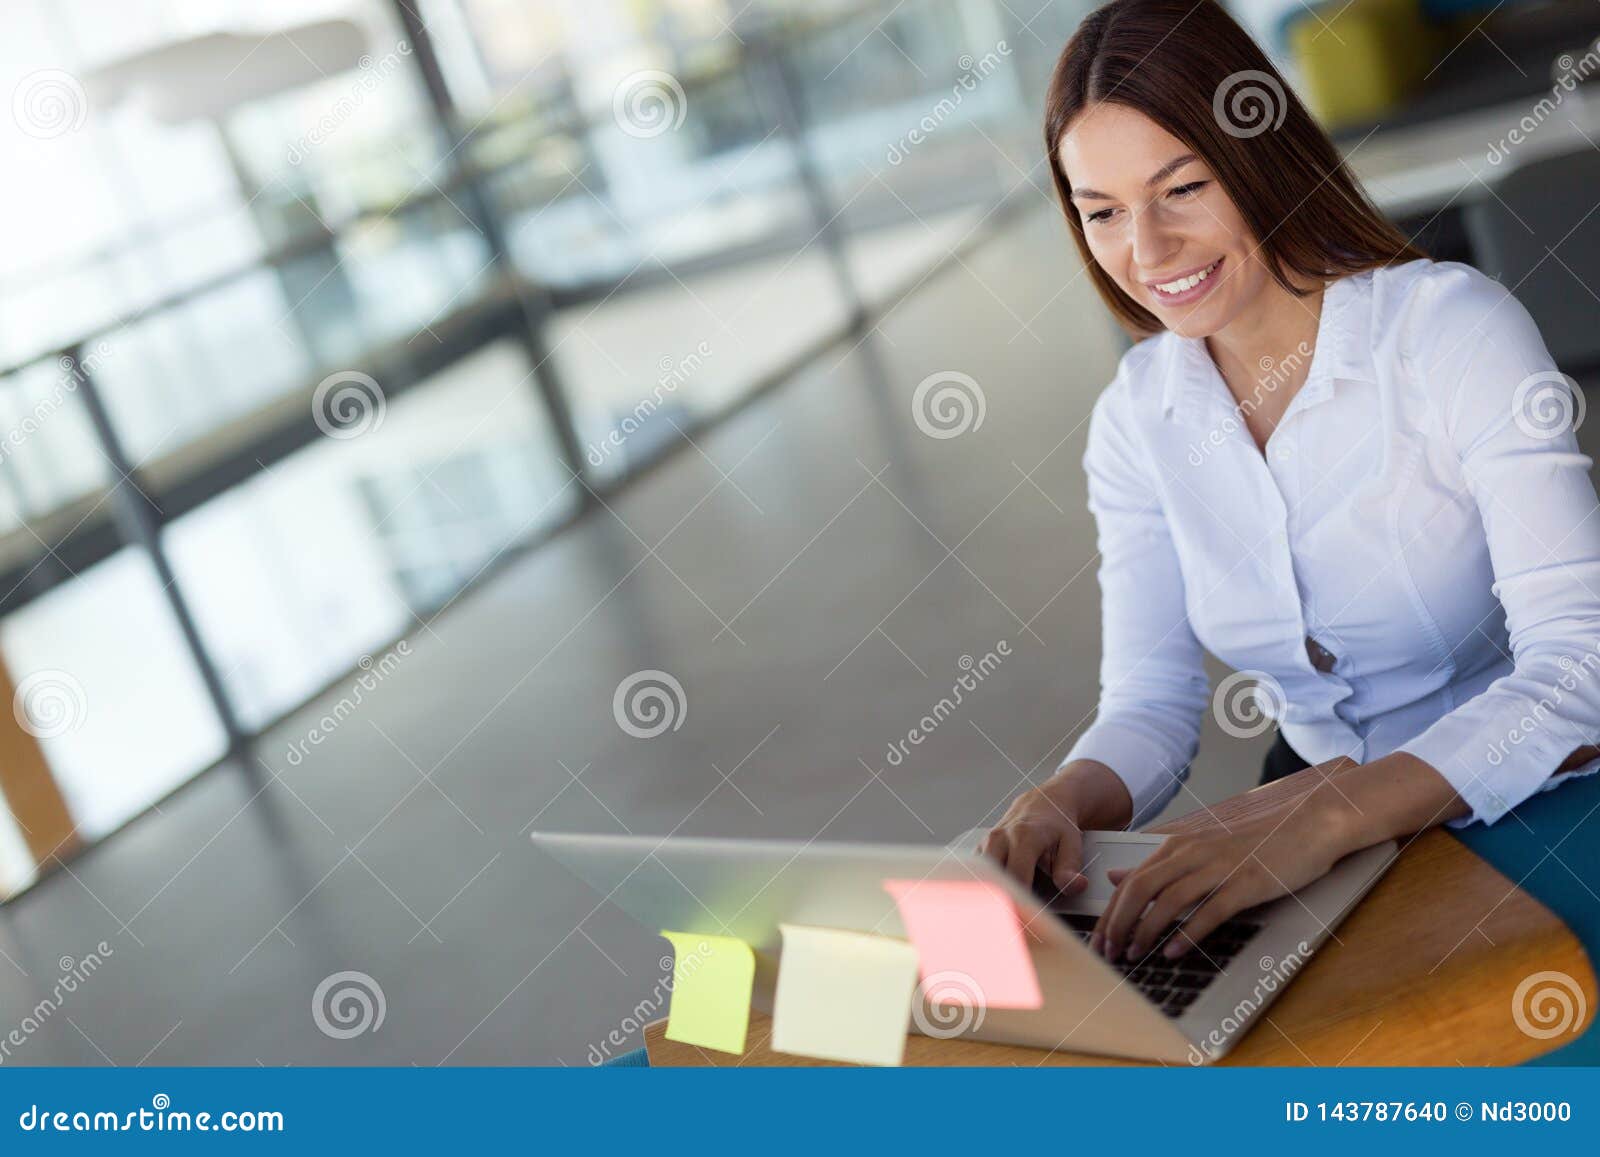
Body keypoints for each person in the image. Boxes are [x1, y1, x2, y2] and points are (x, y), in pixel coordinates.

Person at [983, 0, 1600, 967]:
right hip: (1306, 824)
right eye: (1102, 212)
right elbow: (1150, 698)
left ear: (1261, 155)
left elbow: (1578, 671)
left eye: (1182, 188)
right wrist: (1066, 797)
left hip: (1532, 797)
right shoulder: (1137, 419)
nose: (1147, 250)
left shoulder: (1448, 333)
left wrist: (1332, 814)